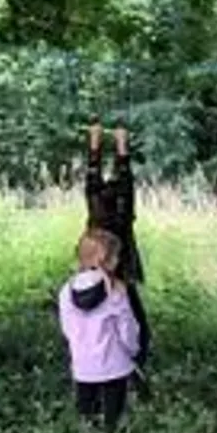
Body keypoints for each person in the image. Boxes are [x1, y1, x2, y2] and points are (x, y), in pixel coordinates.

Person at [58, 229, 142, 433]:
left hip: (83, 367)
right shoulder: (116, 290)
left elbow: (67, 330)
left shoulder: (66, 291)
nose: (119, 260)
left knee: (87, 418)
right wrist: (133, 351)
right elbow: (127, 329)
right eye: (116, 256)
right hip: (115, 367)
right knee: (114, 420)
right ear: (104, 259)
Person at [85, 123, 151, 382]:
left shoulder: (96, 215)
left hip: (93, 275)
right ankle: (131, 373)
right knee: (139, 330)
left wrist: (95, 141)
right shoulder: (122, 217)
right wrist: (122, 144)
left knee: (96, 326)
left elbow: (93, 178)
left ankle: (104, 371)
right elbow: (125, 180)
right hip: (121, 275)